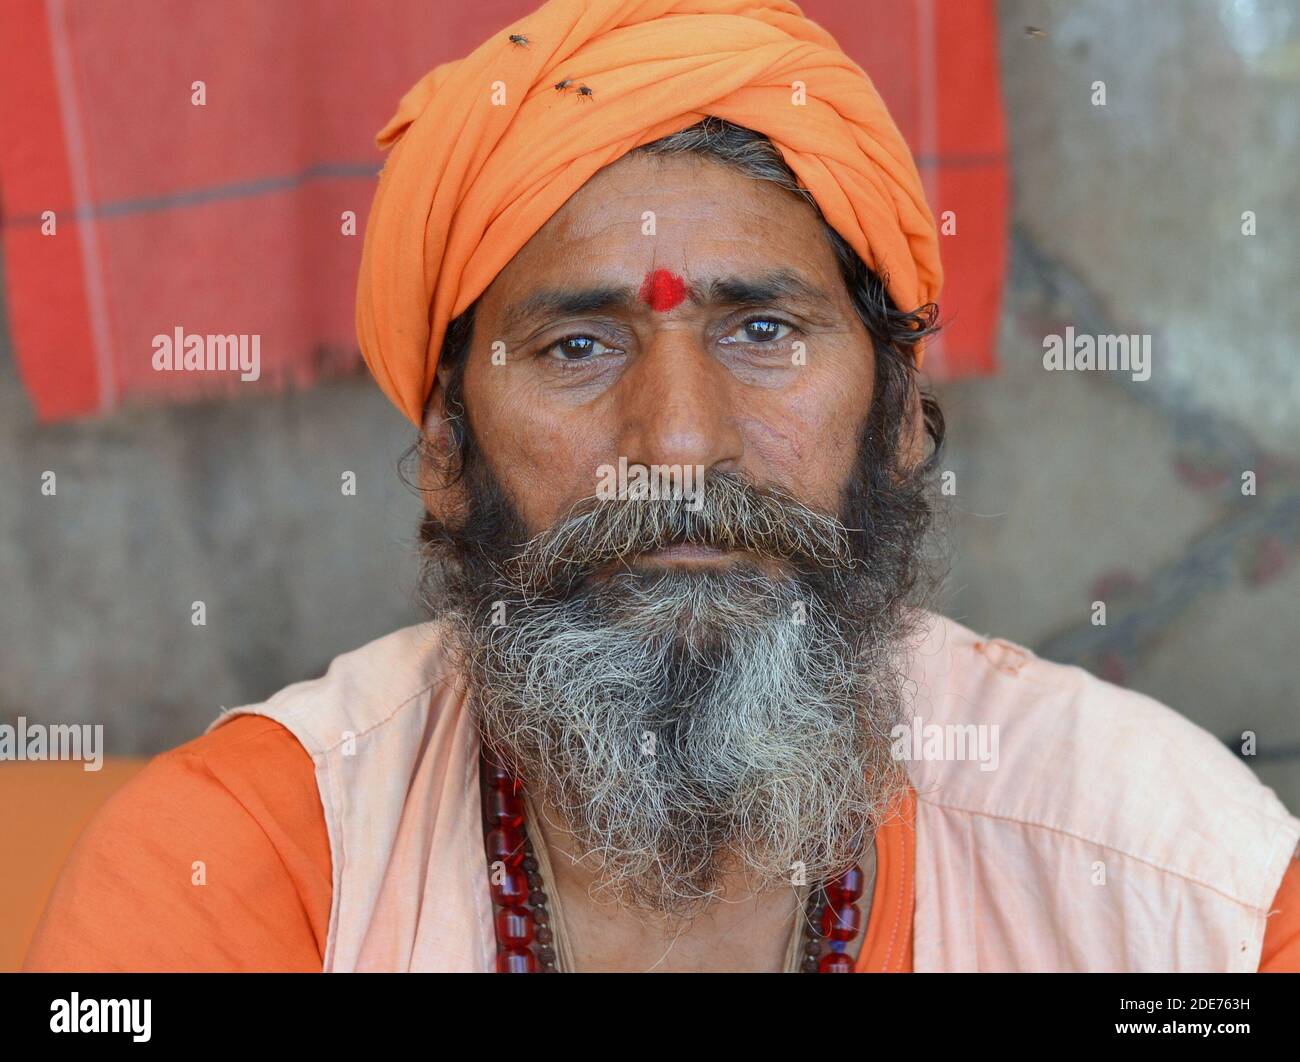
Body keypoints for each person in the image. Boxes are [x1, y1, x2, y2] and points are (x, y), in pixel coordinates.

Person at [26, 0, 1300, 973]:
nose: (680, 445)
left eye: (762, 333)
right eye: (578, 347)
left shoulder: (1183, 897)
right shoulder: (248, 872)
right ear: (447, 455)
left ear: (904, 419)